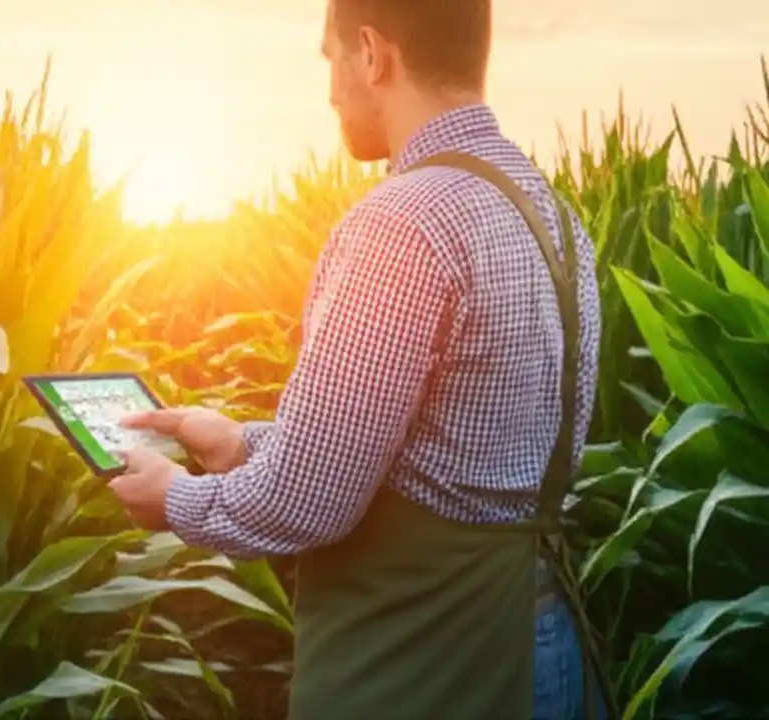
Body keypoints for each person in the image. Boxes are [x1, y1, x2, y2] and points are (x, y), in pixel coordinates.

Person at [105, 1, 610, 718]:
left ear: (373, 55)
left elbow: (306, 501)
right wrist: (240, 443)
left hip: (426, 659)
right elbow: (443, 458)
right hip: (545, 647)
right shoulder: (551, 213)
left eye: (330, 59)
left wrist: (174, 500)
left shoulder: (404, 220)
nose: (330, 91)